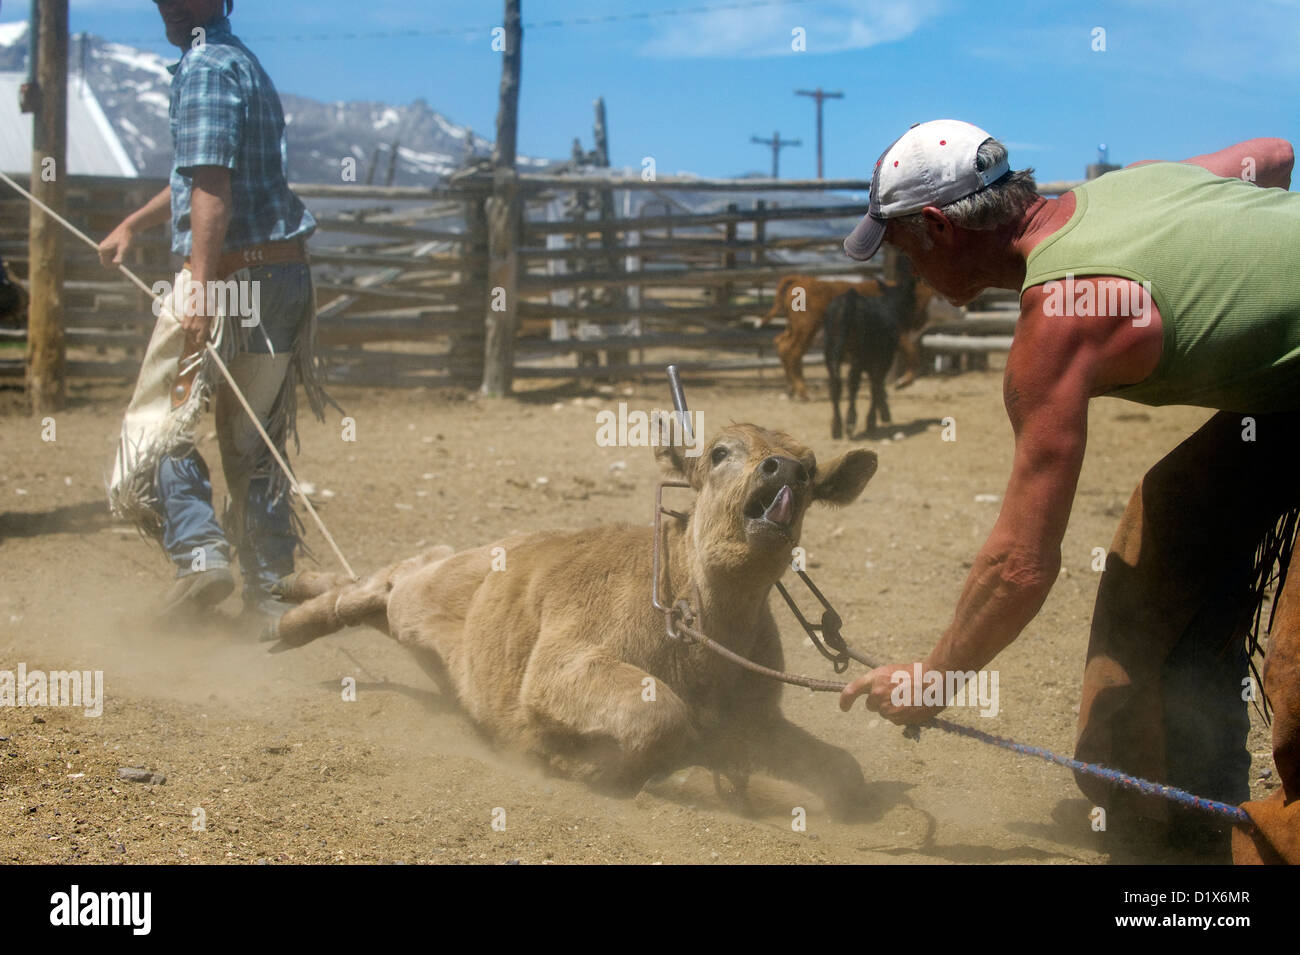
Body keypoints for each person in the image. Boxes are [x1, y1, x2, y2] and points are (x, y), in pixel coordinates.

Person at [836, 119, 1299, 864]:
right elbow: (1274, 156)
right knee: (1171, 524)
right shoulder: (1126, 187)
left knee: (1299, 664)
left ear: (937, 228)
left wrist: (932, 681)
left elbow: (1019, 563)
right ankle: (1170, 810)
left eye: (901, 250)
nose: (904, 273)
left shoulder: (1057, 321)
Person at [99, 0, 330, 623]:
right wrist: (133, 223)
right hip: (280, 273)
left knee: (158, 424)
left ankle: (200, 554)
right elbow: (201, 173)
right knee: (254, 445)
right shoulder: (241, 62)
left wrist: (199, 288)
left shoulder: (202, 67)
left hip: (229, 278)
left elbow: (210, 187)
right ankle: (273, 597)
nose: (172, 4)